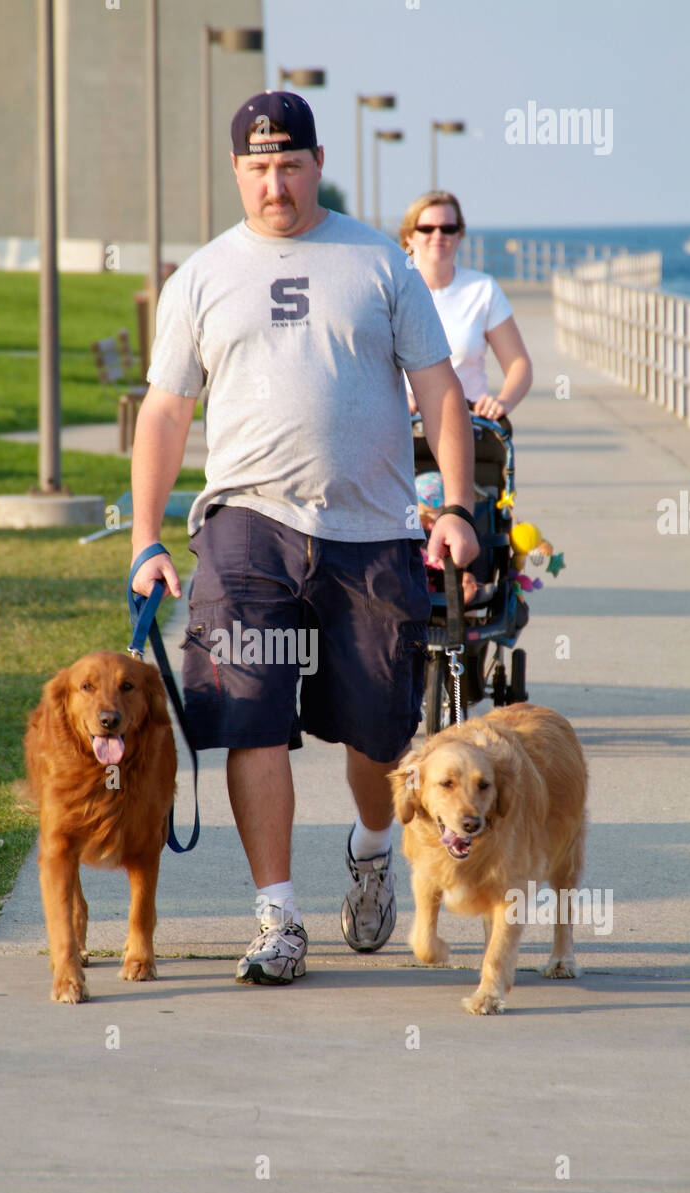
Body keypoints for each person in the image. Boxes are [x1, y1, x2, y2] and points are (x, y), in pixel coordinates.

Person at [130, 92, 478, 986]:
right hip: (246, 528)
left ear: (317, 162)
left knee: (376, 735)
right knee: (250, 716)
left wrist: (460, 512)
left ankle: (369, 852)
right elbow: (166, 413)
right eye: (256, 167)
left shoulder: (377, 262)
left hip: (370, 530)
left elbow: (440, 389)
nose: (274, 183)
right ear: (236, 171)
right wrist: (146, 538)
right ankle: (278, 918)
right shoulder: (203, 276)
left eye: (289, 165)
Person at [399, 191, 533, 421]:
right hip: (405, 429)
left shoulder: (482, 289)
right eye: (427, 228)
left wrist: (502, 403)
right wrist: (398, 397)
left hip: (469, 425)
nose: (438, 235)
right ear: (410, 236)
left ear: (459, 235)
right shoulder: (392, 290)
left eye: (448, 228)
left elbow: (519, 364)